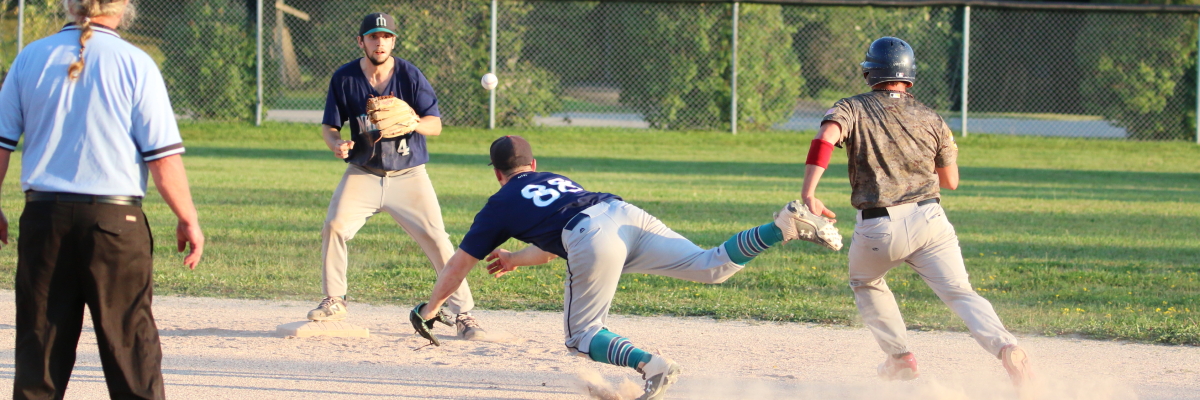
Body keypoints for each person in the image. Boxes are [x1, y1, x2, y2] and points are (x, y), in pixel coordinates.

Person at [412, 135, 840, 400]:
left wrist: (430, 310)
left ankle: (652, 365)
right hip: (622, 214)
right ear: (533, 165)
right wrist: (514, 258)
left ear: (497, 174)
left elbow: (458, 265)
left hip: (590, 236)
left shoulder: (499, 203)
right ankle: (780, 228)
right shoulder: (556, 179)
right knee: (711, 265)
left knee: (581, 336)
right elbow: (555, 247)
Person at [799, 37, 1034, 387]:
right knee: (960, 293)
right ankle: (1007, 348)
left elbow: (825, 138)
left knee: (865, 281)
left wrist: (809, 192)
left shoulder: (852, 108)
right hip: (931, 221)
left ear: (869, 73)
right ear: (909, 77)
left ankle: (900, 357)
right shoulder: (931, 117)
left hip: (879, 226)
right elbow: (951, 181)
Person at [0, 1, 205, 398]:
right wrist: (188, 218)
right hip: (115, 223)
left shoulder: (30, 58)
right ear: (123, 6)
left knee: (40, 350)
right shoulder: (135, 63)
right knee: (131, 348)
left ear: (69, 4)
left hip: (45, 217)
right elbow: (162, 159)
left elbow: (2, 142)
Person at [314, 12, 487, 339]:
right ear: (361, 41)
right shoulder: (345, 78)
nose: (380, 42)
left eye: (386, 37)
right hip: (363, 172)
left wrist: (414, 122)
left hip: (409, 174)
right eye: (373, 36)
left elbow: (435, 125)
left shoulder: (409, 75)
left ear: (393, 41)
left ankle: (463, 313)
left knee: (437, 239)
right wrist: (336, 143)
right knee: (334, 226)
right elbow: (329, 126)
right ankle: (334, 299)